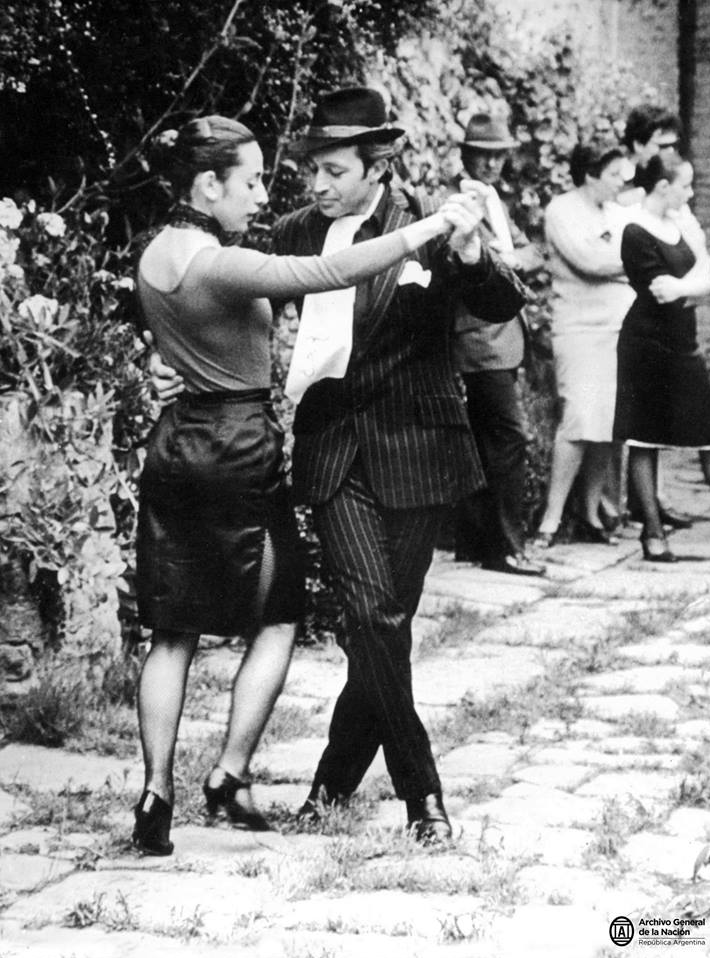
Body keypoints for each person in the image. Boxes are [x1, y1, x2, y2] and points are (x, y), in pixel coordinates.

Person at [151, 87, 512, 843]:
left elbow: (503, 302)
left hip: (421, 449)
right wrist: (178, 364)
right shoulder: (291, 231)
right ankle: (425, 801)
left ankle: (330, 785)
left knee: (384, 627)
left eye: (334, 170)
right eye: (311, 168)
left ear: (376, 166)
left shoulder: (432, 223)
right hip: (332, 453)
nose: (317, 184)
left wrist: (474, 254)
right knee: (372, 617)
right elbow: (210, 290)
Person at [613, 151, 710, 562]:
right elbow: (661, 291)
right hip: (646, 344)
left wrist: (688, 287)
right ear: (663, 187)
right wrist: (689, 286)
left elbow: (707, 279)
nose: (692, 192)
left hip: (683, 343)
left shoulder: (681, 223)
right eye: (686, 184)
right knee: (645, 438)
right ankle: (653, 533)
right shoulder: (634, 230)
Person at [451, 111, 545, 577]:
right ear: (465, 155)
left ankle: (477, 543)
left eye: (498, 156)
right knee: (509, 437)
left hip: (502, 337)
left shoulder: (495, 202)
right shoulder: (457, 201)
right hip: (478, 339)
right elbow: (464, 258)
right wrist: (504, 259)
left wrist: (510, 258)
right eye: (483, 156)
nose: (491, 165)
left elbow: (533, 251)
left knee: (486, 440)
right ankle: (506, 547)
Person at [533, 140, 635, 548]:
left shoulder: (617, 212)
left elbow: (634, 253)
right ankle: (551, 519)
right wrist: (632, 265)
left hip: (620, 329)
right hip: (580, 329)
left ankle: (591, 513)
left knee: (610, 423)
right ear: (590, 174)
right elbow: (588, 262)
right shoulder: (562, 210)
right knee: (578, 418)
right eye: (612, 175)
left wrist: (621, 263)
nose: (620, 182)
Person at [619, 104, 700, 531]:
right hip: (637, 314)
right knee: (636, 423)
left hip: (670, 319)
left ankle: (653, 502)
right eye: (661, 145)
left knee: (653, 421)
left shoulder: (671, 200)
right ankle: (635, 510)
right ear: (638, 146)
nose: (669, 151)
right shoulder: (631, 199)